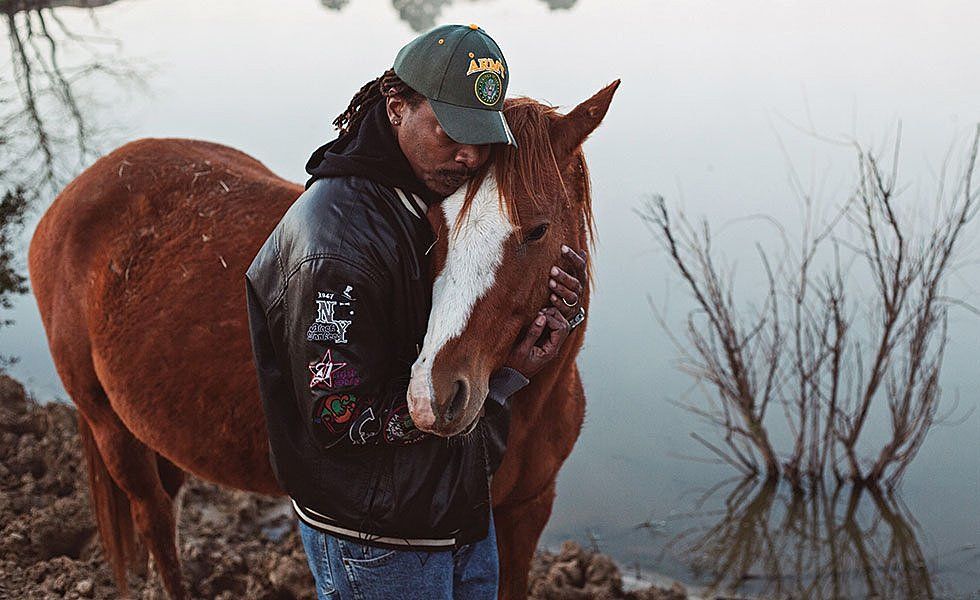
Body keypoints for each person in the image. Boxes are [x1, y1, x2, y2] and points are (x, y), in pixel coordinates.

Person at [244, 24, 587, 599]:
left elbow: (470, 310)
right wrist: (444, 408)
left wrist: (515, 360)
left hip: (448, 517)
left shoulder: (440, 197)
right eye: (451, 130)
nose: (470, 154)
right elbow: (337, 416)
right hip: (376, 541)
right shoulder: (337, 241)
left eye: (482, 134)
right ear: (396, 105)